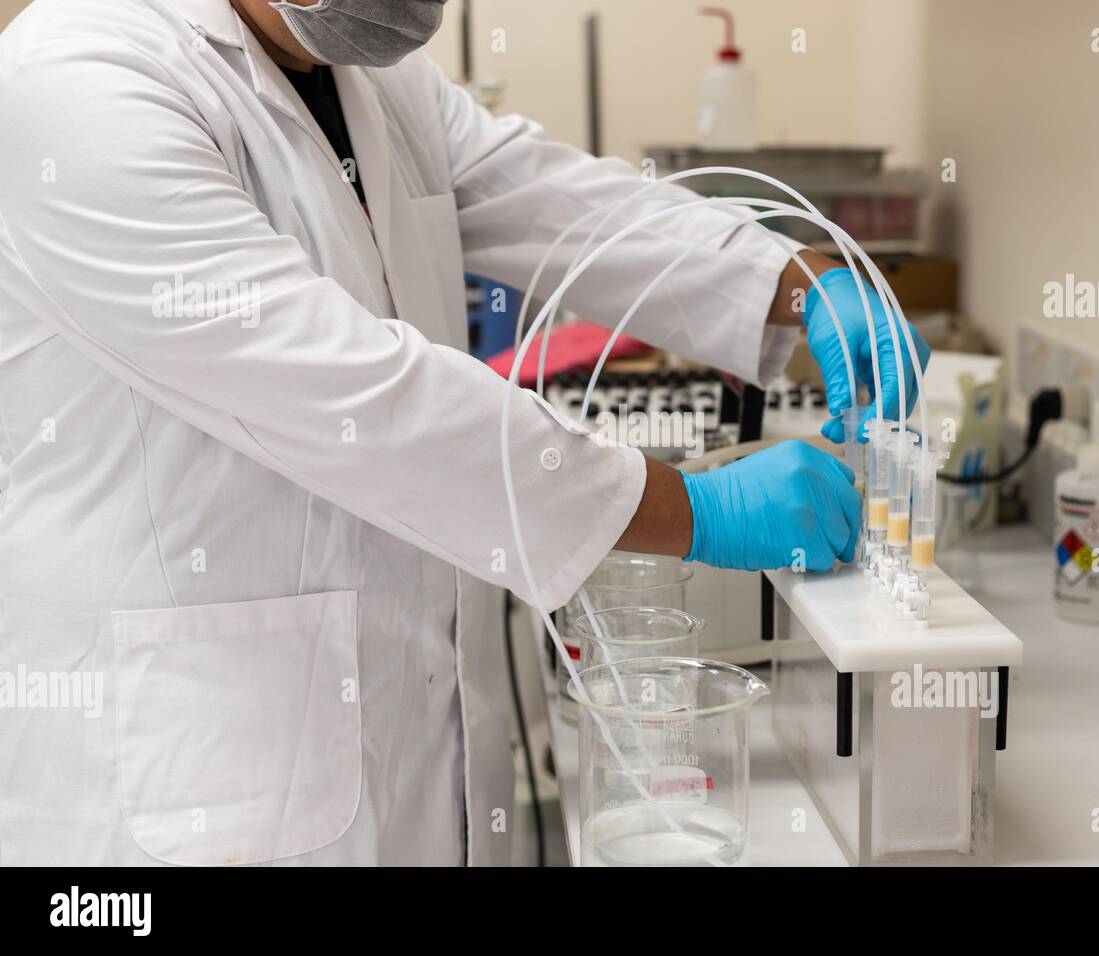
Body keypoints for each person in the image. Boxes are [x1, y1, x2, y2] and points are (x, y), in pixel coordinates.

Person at [0, 0, 928, 865]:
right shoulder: (78, 80)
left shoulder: (377, 85)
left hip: (417, 755)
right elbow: (357, 396)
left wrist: (798, 279)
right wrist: (691, 508)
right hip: (189, 786)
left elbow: (567, 207)